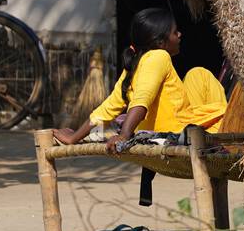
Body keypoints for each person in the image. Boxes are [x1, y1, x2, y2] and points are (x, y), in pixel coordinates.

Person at [52, 8, 227, 152]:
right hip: (174, 130)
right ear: (160, 42)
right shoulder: (159, 56)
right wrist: (124, 135)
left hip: (166, 124)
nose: (180, 34)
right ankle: (229, 130)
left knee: (198, 74)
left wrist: (74, 137)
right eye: (175, 32)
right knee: (216, 97)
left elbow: (108, 107)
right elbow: (142, 102)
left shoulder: (134, 62)